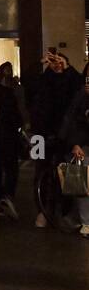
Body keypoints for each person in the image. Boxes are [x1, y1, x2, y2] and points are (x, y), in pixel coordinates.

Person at [31, 50, 81, 227]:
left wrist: (67, 68)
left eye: (61, 61)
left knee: (65, 172)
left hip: (65, 134)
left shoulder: (71, 80)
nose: (57, 64)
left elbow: (78, 87)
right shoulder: (45, 80)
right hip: (40, 135)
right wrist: (44, 66)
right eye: (54, 61)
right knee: (40, 172)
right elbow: (33, 89)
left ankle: (65, 212)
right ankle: (43, 211)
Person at [0, 65, 22, 221]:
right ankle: (8, 196)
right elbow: (16, 116)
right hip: (9, 136)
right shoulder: (8, 93)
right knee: (11, 168)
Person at [59, 71, 89, 237]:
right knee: (82, 184)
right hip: (83, 146)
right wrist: (75, 143)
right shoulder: (79, 96)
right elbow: (72, 120)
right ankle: (85, 222)